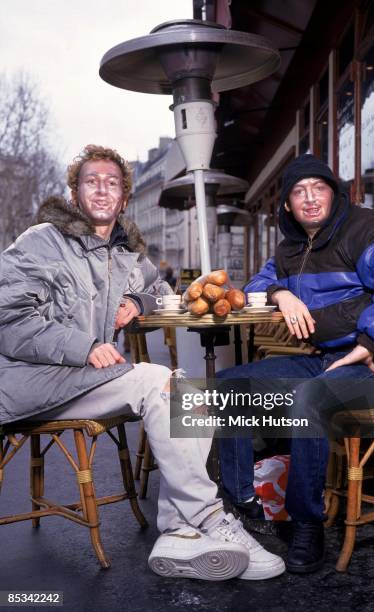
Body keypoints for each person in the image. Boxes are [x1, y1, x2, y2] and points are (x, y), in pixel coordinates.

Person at [0, 144, 284, 582]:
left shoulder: (125, 253)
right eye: (91, 180)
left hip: (88, 381)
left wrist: (136, 298)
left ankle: (176, 532)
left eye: (112, 183)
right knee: (157, 381)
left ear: (124, 198)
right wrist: (81, 344)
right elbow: (9, 320)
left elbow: (162, 286)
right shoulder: (42, 242)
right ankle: (210, 518)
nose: (101, 189)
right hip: (35, 382)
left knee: (189, 399)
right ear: (75, 193)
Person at [217, 153, 374, 573]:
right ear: (288, 204)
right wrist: (280, 293)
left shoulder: (366, 229)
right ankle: (241, 501)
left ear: (333, 193)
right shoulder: (291, 248)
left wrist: (370, 341)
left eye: (318, 188)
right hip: (323, 358)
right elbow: (257, 284)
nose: (310, 198)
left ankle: (306, 524)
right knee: (227, 386)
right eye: (299, 191)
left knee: (307, 402)